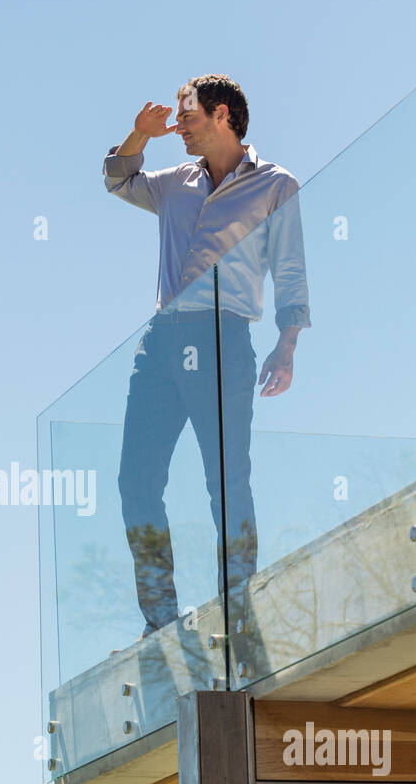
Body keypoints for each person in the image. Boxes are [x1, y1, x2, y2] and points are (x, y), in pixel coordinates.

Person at [104, 75, 310, 638]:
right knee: (135, 481)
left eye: (186, 117)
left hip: (225, 340)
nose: (179, 127)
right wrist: (138, 135)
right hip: (161, 342)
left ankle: (239, 608)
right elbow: (117, 179)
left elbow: (290, 269)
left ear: (222, 115)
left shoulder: (274, 185)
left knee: (226, 478)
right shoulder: (173, 183)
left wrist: (286, 344)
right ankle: (160, 619)